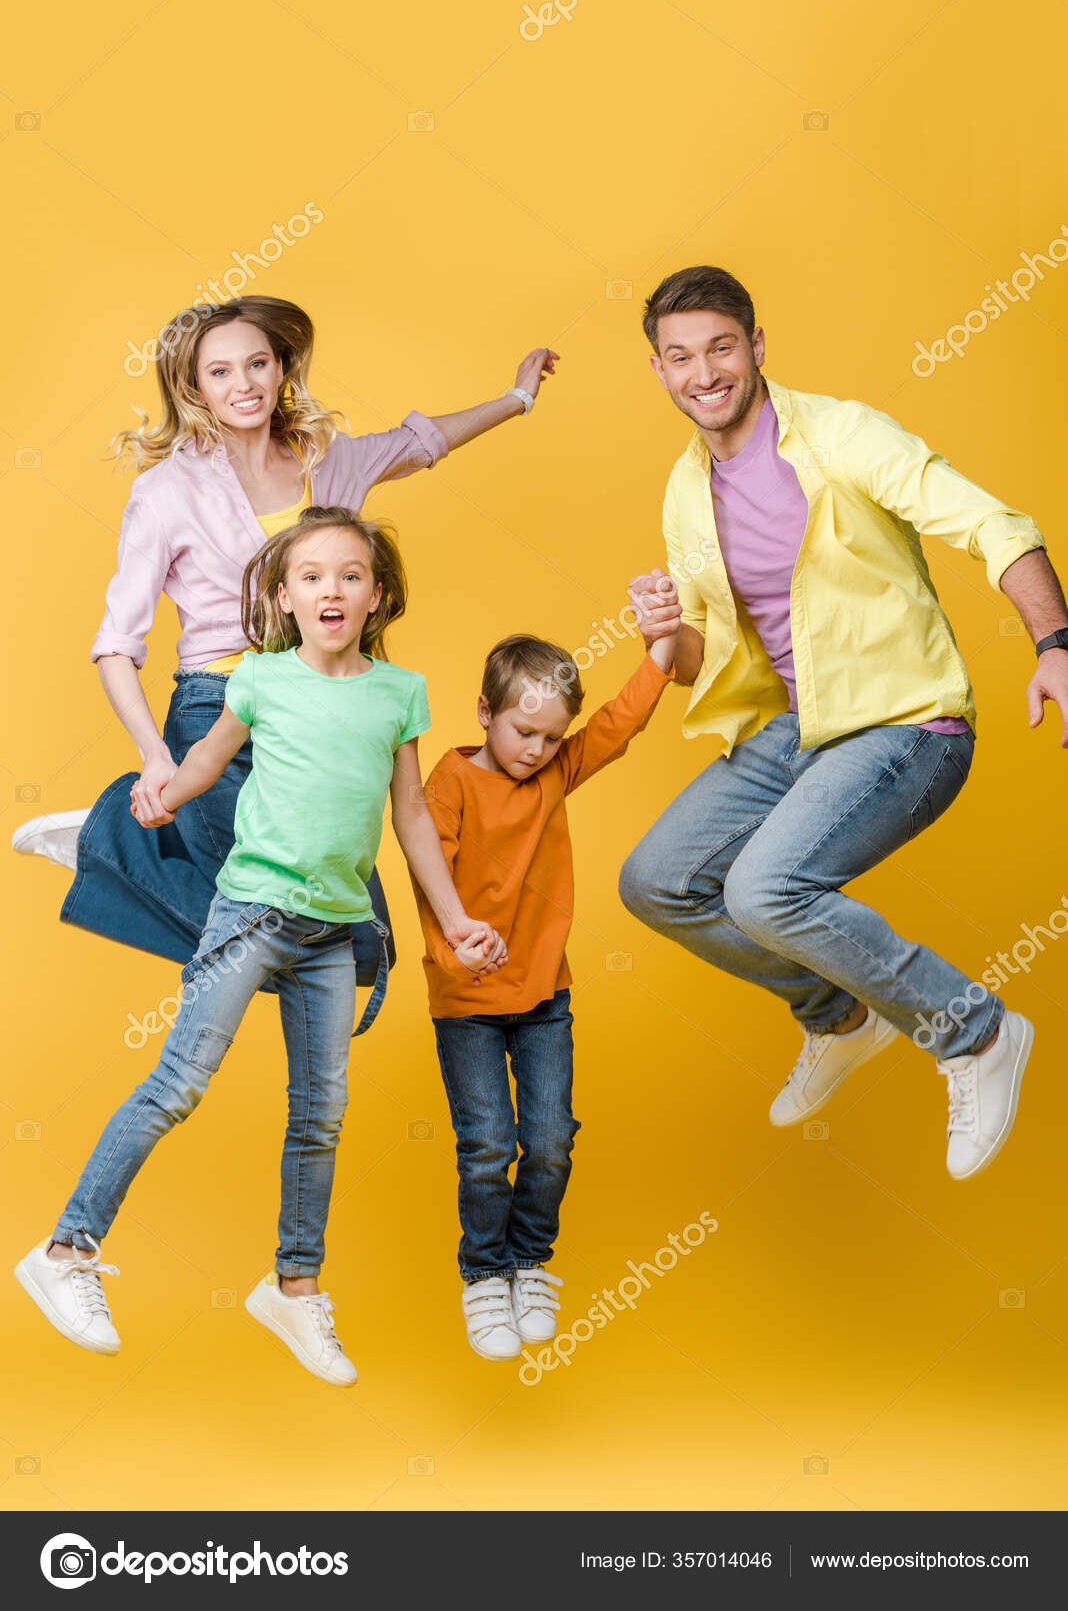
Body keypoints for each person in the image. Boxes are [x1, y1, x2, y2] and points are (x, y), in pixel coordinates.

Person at [14, 507, 507, 1386]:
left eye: (350, 576)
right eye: (312, 576)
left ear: (376, 596)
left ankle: (293, 1287)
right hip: (249, 914)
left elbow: (412, 820)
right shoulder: (260, 681)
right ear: (284, 596)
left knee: (319, 1116)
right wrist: (159, 793)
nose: (332, 589)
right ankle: (65, 1251)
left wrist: (457, 918)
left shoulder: (400, 695)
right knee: (177, 1084)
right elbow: (205, 762)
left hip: (332, 932)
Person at [620, 264, 1068, 1180]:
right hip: (798, 727)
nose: (703, 372)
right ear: (660, 373)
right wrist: (669, 640)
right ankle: (840, 1017)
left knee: (762, 889)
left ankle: (974, 1034)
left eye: (719, 348)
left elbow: (995, 522)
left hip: (906, 723)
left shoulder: (841, 433)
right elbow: (711, 658)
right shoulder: (683, 488)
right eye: (679, 357)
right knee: (655, 881)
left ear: (755, 348)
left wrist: (1055, 642)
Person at [13, 294, 554, 1012]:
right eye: (221, 371)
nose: (244, 385)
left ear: (281, 370)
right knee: (277, 929)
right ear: (193, 388)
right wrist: (155, 757)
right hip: (221, 707)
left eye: (258, 363)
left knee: (359, 947)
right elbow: (116, 643)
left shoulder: (326, 463)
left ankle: (116, 849)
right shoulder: (166, 491)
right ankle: (114, 831)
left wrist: (518, 396)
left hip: (321, 704)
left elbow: (423, 443)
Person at [410, 611, 677, 1360]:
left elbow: (620, 724)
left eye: (553, 737)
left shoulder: (558, 770)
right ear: (486, 714)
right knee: (488, 1146)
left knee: (552, 1142)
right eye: (524, 732)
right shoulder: (451, 780)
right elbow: (426, 879)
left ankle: (530, 1261)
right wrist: (450, 951)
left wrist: (660, 644)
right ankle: (484, 1273)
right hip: (466, 1003)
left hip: (543, 998)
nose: (538, 750)